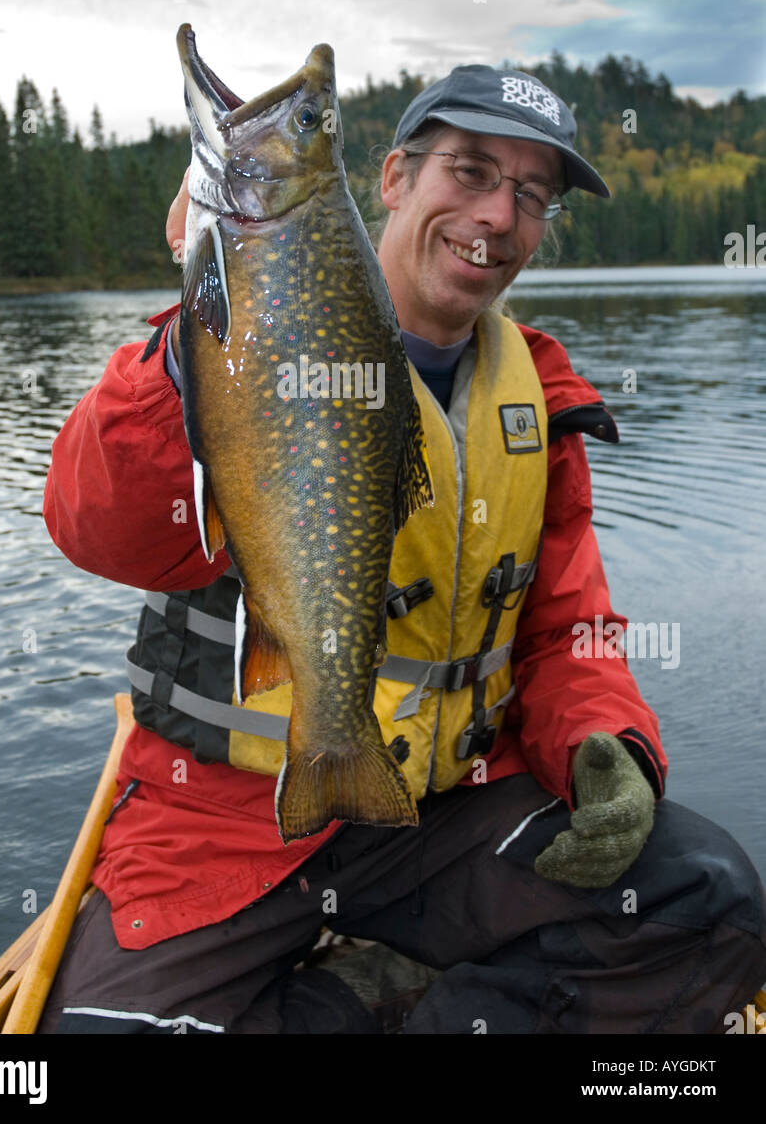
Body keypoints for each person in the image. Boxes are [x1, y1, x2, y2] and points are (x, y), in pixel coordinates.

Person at [38, 64, 766, 1035]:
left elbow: (567, 630)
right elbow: (97, 526)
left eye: (531, 195)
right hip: (219, 825)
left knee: (701, 899)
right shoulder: (230, 348)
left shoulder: (538, 399)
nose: (497, 215)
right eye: (468, 172)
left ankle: (354, 1002)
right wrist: (195, 348)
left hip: (438, 814)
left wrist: (605, 742)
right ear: (391, 179)